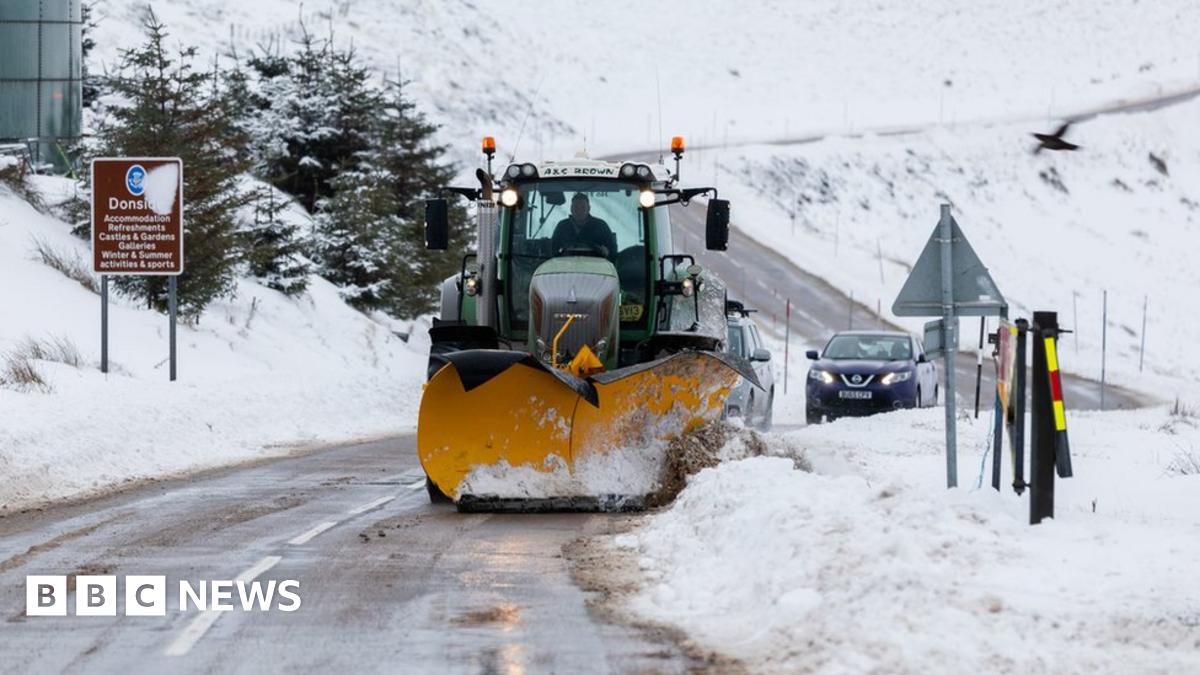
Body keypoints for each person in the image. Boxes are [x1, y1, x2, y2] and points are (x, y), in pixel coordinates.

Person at [551, 193, 616, 257]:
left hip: (595, 265)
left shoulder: (601, 226)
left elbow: (612, 252)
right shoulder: (562, 226)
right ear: (571, 209)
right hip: (565, 265)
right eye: (576, 207)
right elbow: (552, 250)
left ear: (589, 208)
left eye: (583, 207)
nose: (579, 211)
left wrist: (606, 252)